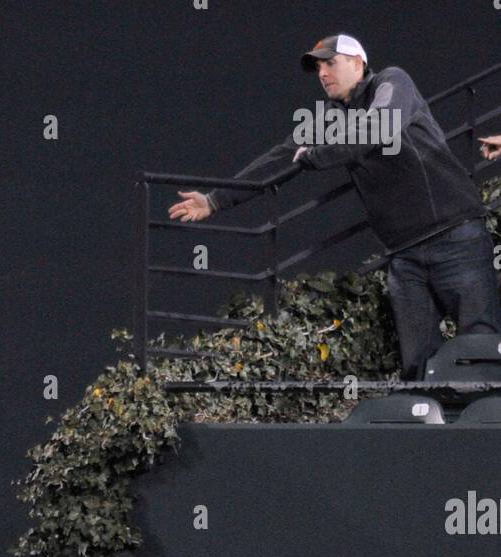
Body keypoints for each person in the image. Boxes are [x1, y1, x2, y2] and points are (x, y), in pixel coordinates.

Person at [169, 34, 501, 381]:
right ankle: (436, 433)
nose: (323, 73)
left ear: (358, 62)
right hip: (404, 255)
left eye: (331, 63)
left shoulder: (392, 82)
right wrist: (215, 199)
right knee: (419, 367)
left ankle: (487, 432)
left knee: (480, 351)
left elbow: (378, 129)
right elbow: (283, 156)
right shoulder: (330, 116)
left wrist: (317, 155)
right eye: (318, 67)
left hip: (456, 236)